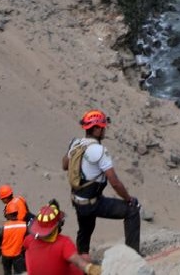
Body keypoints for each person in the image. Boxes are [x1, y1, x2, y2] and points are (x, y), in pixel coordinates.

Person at [63, 109, 140, 254]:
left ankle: (82, 263)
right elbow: (114, 182)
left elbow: (64, 166)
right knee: (132, 211)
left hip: (78, 200)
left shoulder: (76, 144)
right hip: (92, 203)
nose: (104, 130)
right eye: (103, 127)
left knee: (85, 231)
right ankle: (133, 256)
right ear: (96, 129)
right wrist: (128, 199)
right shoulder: (99, 151)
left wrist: (70, 150)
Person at [23, 203, 102, 275]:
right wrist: (90, 268)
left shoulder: (29, 240)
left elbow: (25, 248)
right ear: (57, 226)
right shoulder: (64, 243)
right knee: (85, 258)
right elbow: (78, 262)